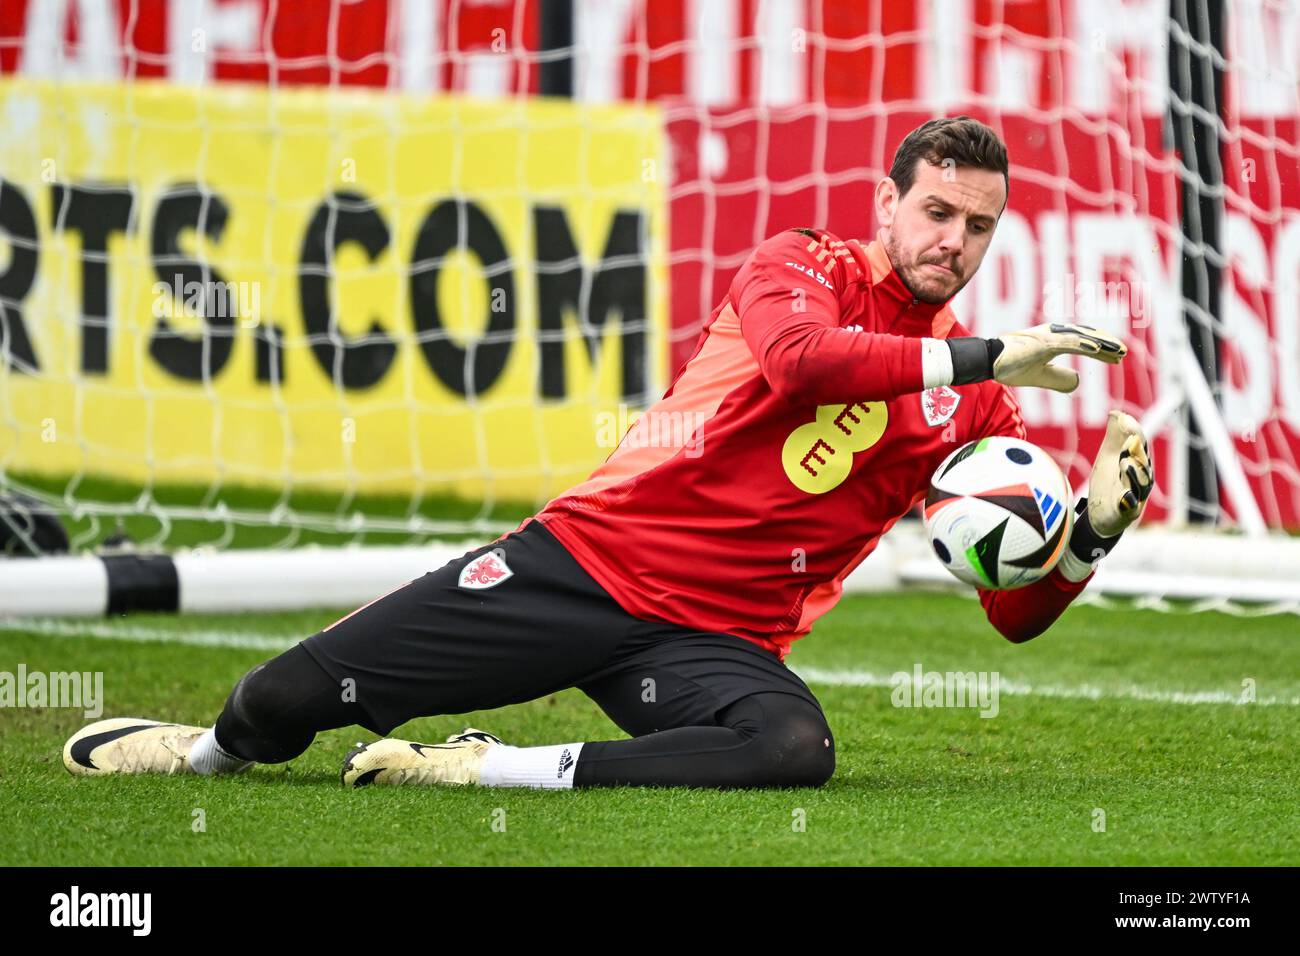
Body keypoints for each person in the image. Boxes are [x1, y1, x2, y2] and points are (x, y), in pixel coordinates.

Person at [62, 116, 1153, 791]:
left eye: (976, 227)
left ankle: (489, 766)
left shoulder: (971, 402)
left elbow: (1010, 606)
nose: (950, 243)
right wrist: (987, 353)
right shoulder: (803, 265)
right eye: (934, 212)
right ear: (887, 203)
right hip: (583, 566)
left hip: (710, 637)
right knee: (282, 699)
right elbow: (805, 366)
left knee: (790, 747)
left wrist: (1090, 531)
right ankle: (196, 752)